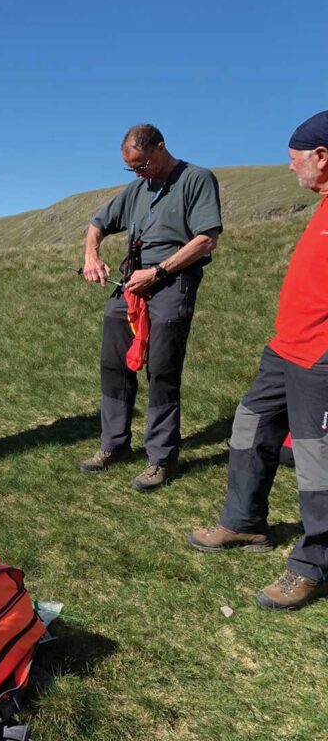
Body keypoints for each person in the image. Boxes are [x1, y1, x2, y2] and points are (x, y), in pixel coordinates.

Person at [189, 110, 328, 610]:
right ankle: (244, 523)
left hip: (320, 357)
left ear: (322, 156)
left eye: (295, 161)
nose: (291, 170)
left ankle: (313, 564)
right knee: (249, 425)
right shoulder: (323, 205)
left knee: (317, 462)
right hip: (286, 347)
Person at [79, 124, 222, 490]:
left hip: (173, 283)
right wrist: (92, 255)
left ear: (160, 148)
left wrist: (157, 271)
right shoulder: (136, 189)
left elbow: (206, 239)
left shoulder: (197, 179)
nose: (139, 173)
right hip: (131, 286)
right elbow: (97, 223)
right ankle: (114, 444)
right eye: (132, 169)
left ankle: (160, 458)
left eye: (142, 165)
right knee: (114, 364)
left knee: (161, 369)